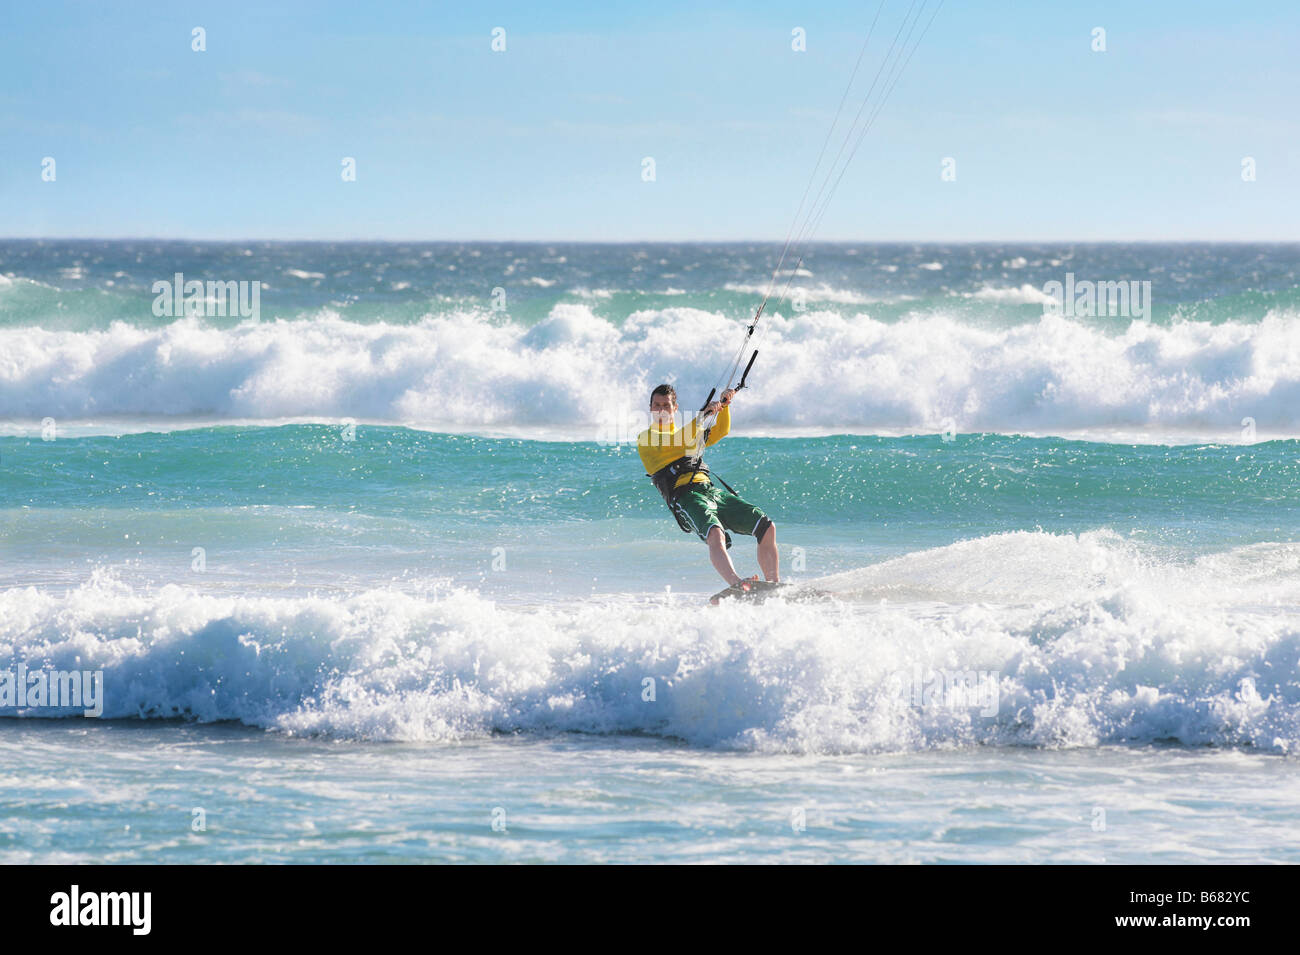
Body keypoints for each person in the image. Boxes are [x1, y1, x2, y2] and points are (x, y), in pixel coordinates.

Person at [636, 383, 778, 590]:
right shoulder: (645, 439)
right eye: (657, 405)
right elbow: (674, 443)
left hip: (710, 491)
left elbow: (721, 431)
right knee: (715, 534)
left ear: (675, 408)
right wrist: (701, 417)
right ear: (650, 408)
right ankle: (737, 584)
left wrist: (725, 406)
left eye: (666, 405)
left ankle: (774, 585)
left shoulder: (689, 433)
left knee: (766, 527)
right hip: (685, 498)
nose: (661, 410)